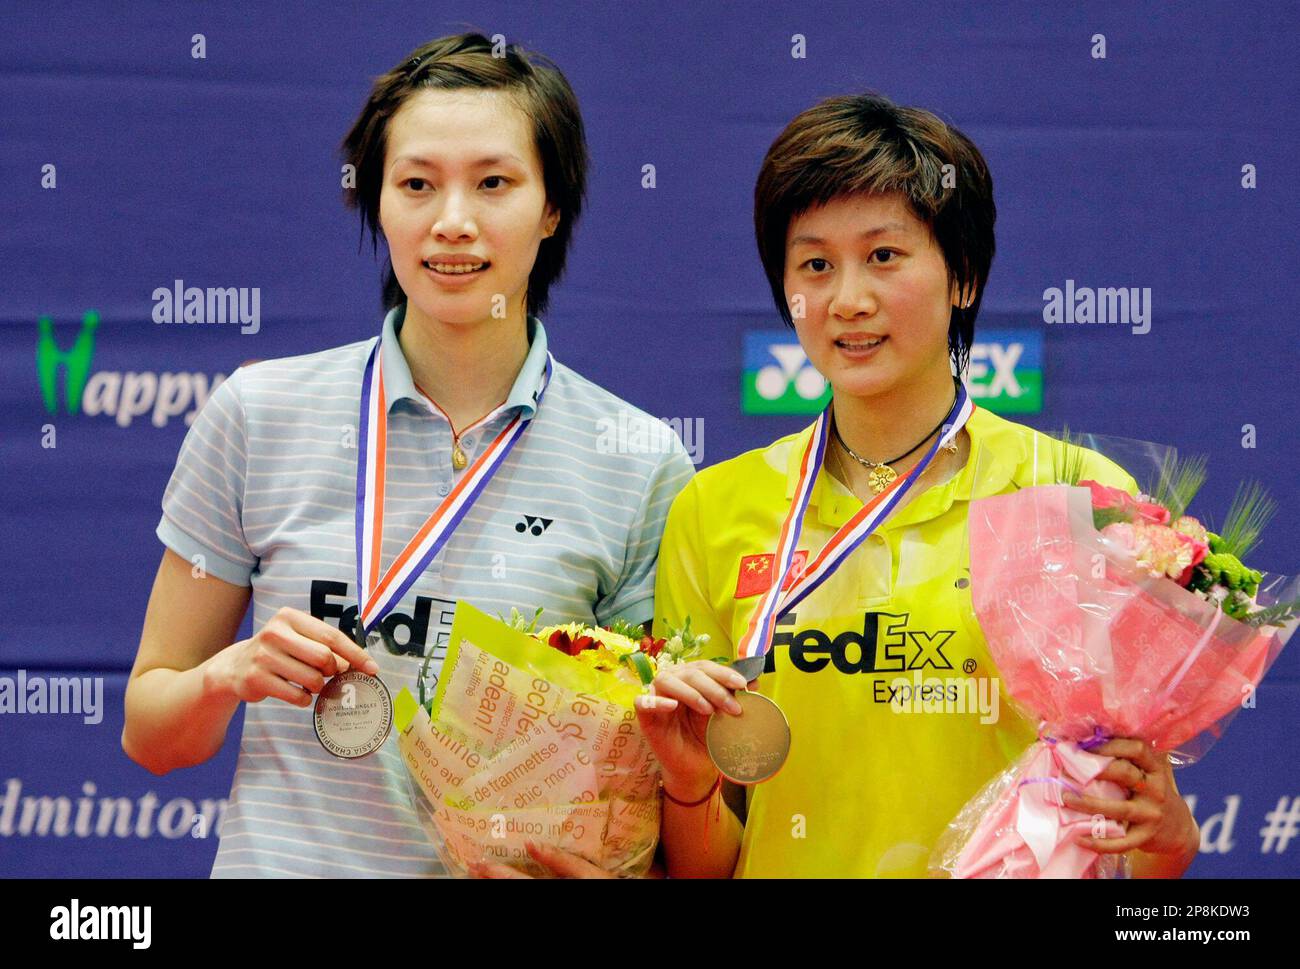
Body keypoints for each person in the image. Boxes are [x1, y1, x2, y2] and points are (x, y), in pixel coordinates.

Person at [122, 33, 694, 878]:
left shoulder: (636, 458)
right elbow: (151, 735)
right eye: (417, 183)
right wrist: (229, 675)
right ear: (376, 201)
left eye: (493, 182)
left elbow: (642, 786)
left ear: (552, 207)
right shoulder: (260, 413)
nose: (451, 221)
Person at [636, 93, 1201, 878]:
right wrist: (691, 786)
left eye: (885, 255)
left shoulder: (1076, 494)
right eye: (815, 265)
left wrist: (1168, 833)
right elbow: (704, 868)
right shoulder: (714, 508)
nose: (848, 299)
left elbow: (1132, 843)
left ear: (962, 275)